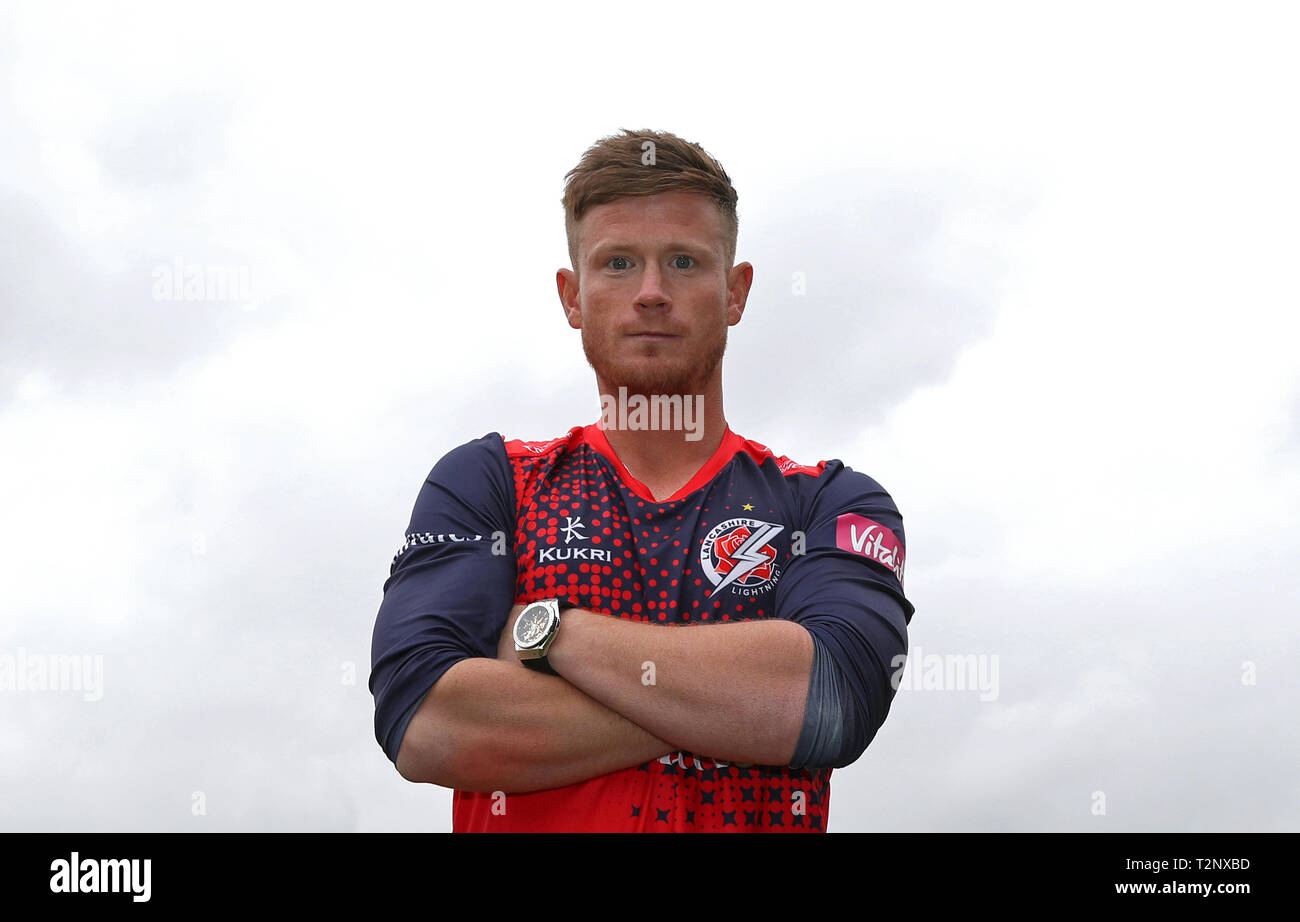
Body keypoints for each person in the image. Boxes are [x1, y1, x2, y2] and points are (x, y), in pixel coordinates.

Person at [369, 128, 914, 832]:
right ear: (573, 296)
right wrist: (739, 703)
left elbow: (833, 701)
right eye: (619, 263)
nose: (652, 293)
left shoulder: (830, 500)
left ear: (735, 291)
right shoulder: (490, 481)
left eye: (684, 262)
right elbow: (423, 721)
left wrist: (546, 635)